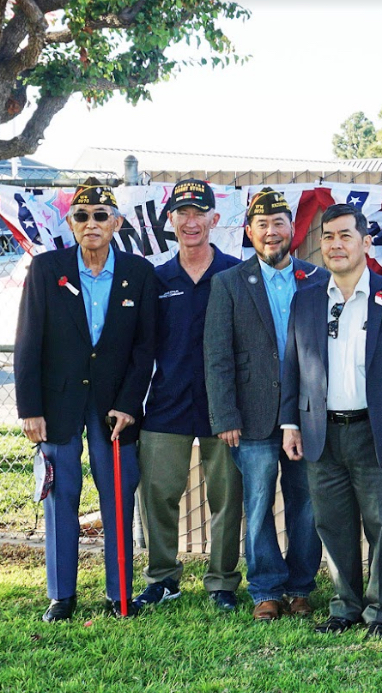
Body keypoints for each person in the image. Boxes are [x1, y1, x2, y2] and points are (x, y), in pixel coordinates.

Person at [280, 204, 382, 639]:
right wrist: (290, 422)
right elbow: (292, 364)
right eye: (327, 237)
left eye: (345, 235)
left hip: (376, 432)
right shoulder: (306, 299)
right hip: (320, 432)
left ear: (366, 242)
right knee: (332, 522)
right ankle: (344, 606)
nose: (335, 244)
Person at [16, 179, 157, 620]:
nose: (91, 223)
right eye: (81, 216)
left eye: (101, 216)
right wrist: (30, 409)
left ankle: (120, 594)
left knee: (118, 494)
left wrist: (130, 404)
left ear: (116, 222)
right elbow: (27, 343)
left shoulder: (140, 273)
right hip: (57, 405)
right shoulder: (45, 270)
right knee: (62, 495)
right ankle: (62, 595)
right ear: (71, 224)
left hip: (116, 408)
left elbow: (145, 348)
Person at [205, 187, 323, 622]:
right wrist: (224, 414)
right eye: (262, 225)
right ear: (249, 232)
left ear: (292, 229)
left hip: (308, 415)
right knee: (256, 504)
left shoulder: (317, 279)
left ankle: (300, 586)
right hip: (250, 415)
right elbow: (216, 355)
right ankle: (265, 589)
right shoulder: (229, 283)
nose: (271, 232)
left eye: (279, 224)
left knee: (306, 503)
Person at [133, 180, 244, 613]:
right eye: (182, 213)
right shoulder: (156, 279)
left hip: (224, 409)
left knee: (227, 498)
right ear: (171, 222)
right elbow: (141, 348)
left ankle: (222, 582)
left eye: (200, 212)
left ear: (215, 219)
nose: (191, 221)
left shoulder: (236, 274)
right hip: (166, 405)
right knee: (157, 495)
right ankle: (163, 579)